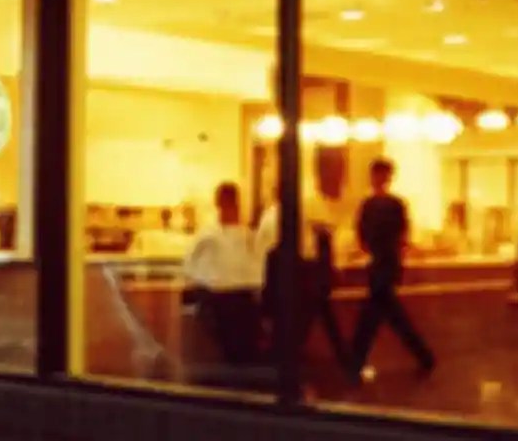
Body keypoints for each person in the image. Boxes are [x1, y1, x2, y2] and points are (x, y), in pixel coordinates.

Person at [349, 158, 435, 380]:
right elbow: (403, 235)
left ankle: (355, 360)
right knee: (389, 315)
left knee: (375, 316)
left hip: (379, 264)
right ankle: (423, 356)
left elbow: (362, 238)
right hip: (389, 264)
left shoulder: (368, 205)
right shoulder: (396, 205)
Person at [257, 194, 349, 367]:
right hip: (304, 274)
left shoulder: (270, 216)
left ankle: (283, 361)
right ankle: (345, 362)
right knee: (314, 320)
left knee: (300, 322)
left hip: (283, 273)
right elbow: (318, 243)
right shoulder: (303, 213)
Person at [182, 183, 262, 371]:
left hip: (237, 296)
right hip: (225, 298)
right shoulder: (210, 235)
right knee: (236, 349)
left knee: (240, 349)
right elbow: (190, 265)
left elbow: (189, 264)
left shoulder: (244, 235)